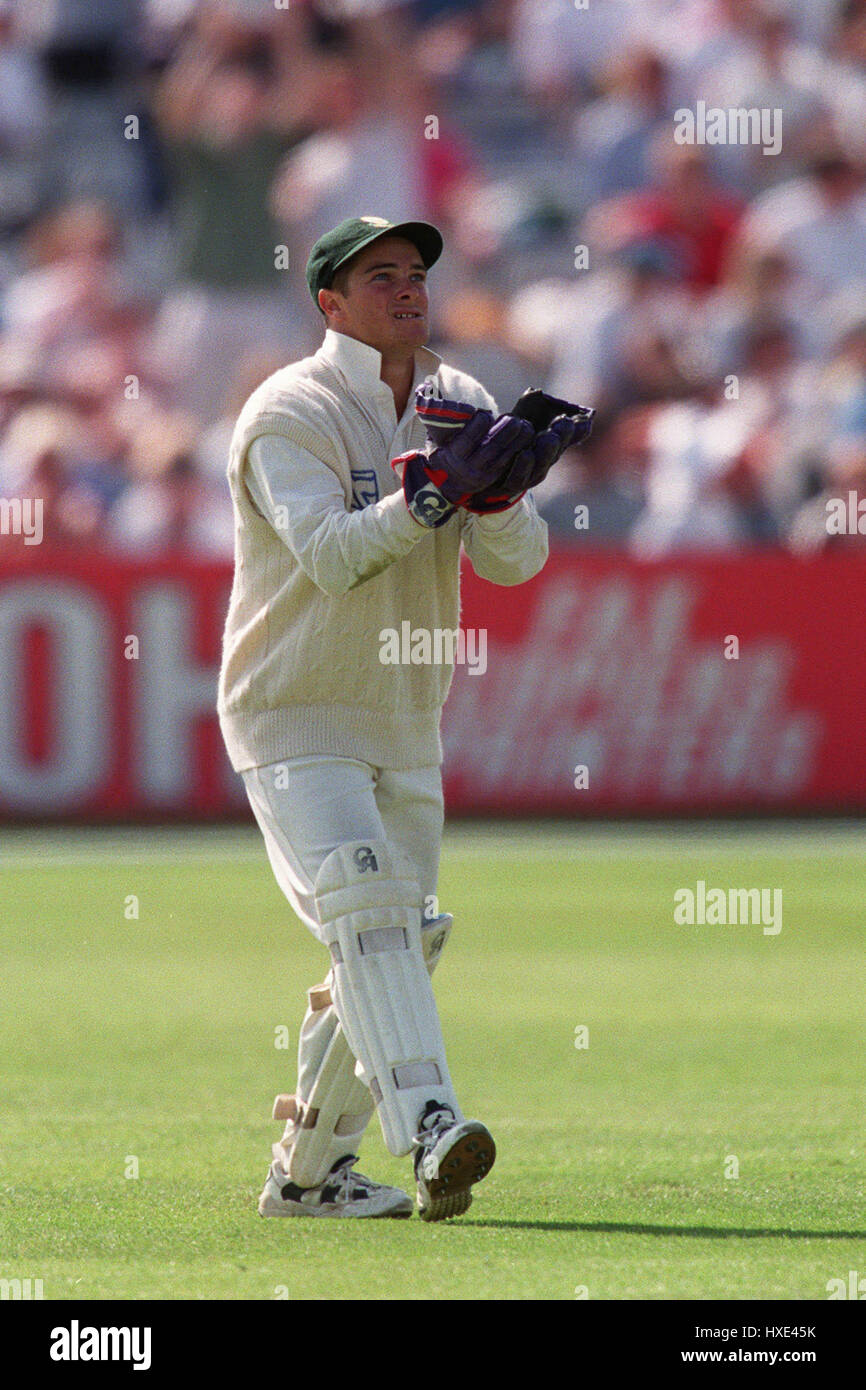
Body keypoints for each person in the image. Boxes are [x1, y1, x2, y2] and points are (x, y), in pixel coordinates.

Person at [217, 214, 589, 1221]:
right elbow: (334, 557)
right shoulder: (286, 410)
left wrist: (499, 500)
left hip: (405, 711)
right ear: (329, 302)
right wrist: (432, 494)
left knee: (391, 936)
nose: (408, 289)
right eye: (380, 276)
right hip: (292, 704)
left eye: (417, 272)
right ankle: (431, 1124)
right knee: (370, 902)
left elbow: (515, 568)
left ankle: (305, 1177)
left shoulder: (454, 400)